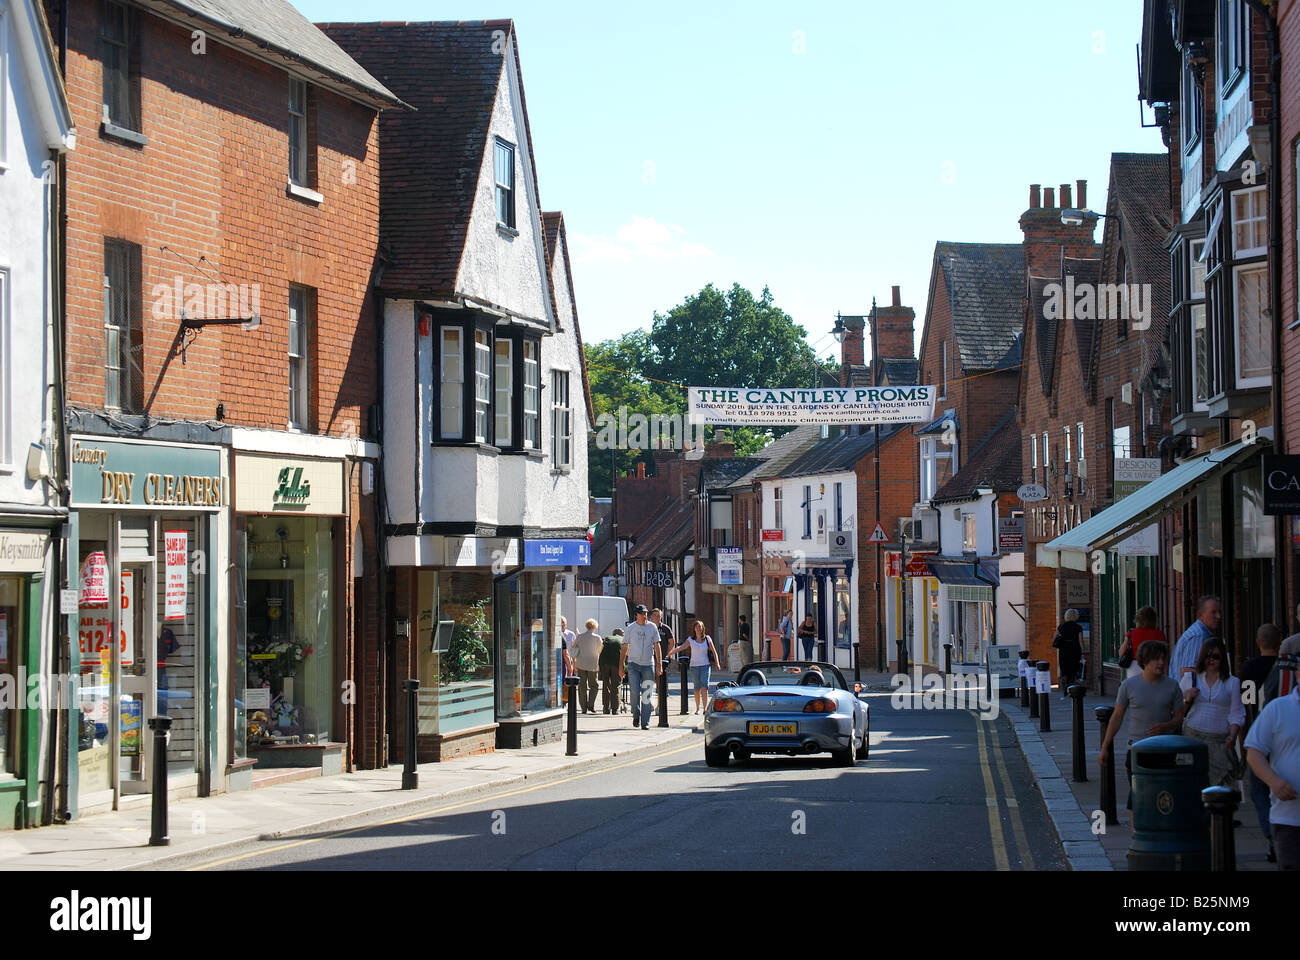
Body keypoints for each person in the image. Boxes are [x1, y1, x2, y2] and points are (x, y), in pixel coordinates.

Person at [1098, 640, 1185, 811]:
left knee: (1164, 795)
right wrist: (1105, 747)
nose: (1161, 663)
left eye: (1163, 658)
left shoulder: (1173, 686)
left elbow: (1179, 719)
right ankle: (1136, 832)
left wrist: (1166, 726)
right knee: (1138, 795)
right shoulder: (1128, 686)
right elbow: (1117, 717)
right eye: (1156, 659)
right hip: (1137, 748)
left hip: (1165, 748)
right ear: (1144, 661)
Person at [1245, 674, 1300, 870]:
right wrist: (1274, 782)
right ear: (1298, 675)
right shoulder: (1278, 709)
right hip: (1289, 819)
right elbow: (1254, 753)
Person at [1179, 638, 1244, 787]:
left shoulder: (1232, 682)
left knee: (1220, 787)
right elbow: (1177, 712)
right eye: (1208, 656)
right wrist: (1187, 698)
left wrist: (1233, 736)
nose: (1211, 660)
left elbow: (1236, 713)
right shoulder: (1190, 679)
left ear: (1222, 659)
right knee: (1193, 785)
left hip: (1219, 741)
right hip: (1193, 737)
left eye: (1215, 656)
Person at [1241, 624, 1282, 862]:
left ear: (1258, 643)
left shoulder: (1250, 667)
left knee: (1258, 789)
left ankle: (1271, 836)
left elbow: (1247, 702)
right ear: (1279, 642)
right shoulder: (1286, 670)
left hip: (1258, 733)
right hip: (1280, 733)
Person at [620, 605, 662, 729]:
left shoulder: (652, 627)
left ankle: (645, 722)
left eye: (645, 614)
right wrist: (621, 666)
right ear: (636, 615)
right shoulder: (630, 628)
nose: (644, 616)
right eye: (641, 614)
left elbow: (657, 645)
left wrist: (659, 664)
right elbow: (624, 647)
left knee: (647, 694)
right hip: (633, 664)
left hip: (648, 665)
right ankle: (636, 714)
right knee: (634, 692)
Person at [668, 620, 720, 715]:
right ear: (694, 629)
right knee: (697, 688)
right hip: (694, 666)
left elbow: (714, 651)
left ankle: (705, 708)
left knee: (704, 686)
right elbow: (682, 647)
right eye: (697, 627)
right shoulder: (691, 640)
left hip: (705, 665)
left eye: (700, 627)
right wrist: (671, 652)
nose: (698, 628)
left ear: (703, 628)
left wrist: (717, 663)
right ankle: (697, 708)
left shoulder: (707, 639)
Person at [1170, 595, 1222, 679]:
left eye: (1219, 612)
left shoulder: (1198, 633)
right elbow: (1187, 672)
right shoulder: (1198, 636)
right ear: (1200, 615)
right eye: (1213, 612)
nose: (1218, 616)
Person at [1118, 606, 1164, 681]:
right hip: (1155, 666)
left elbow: (1121, 652)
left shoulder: (1132, 633)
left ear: (1138, 619)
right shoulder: (1160, 635)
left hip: (1135, 667)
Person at [571, 619, 604, 715]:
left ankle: (583, 708)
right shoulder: (597, 638)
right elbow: (600, 650)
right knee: (594, 685)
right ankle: (591, 705)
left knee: (582, 686)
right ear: (595, 627)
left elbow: (573, 646)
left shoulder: (580, 636)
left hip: (581, 663)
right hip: (593, 664)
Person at [1052, 609, 1084, 699]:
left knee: (1064, 670)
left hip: (1064, 650)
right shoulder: (1078, 627)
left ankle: (1065, 689)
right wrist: (1082, 652)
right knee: (1073, 671)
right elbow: (1080, 641)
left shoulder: (1061, 626)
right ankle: (1072, 689)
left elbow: (1054, 636)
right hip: (1075, 650)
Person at [598, 629, 624, 714]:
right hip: (616, 664)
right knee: (616, 685)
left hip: (605, 663)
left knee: (606, 685)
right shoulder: (622, 640)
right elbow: (626, 654)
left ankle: (606, 708)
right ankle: (615, 709)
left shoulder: (607, 638)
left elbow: (600, 651)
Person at [157, 628, 179, 714]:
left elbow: (175, 652)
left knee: (162, 697)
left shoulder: (167, 632)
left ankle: (162, 717)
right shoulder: (144, 629)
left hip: (162, 669)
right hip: (145, 668)